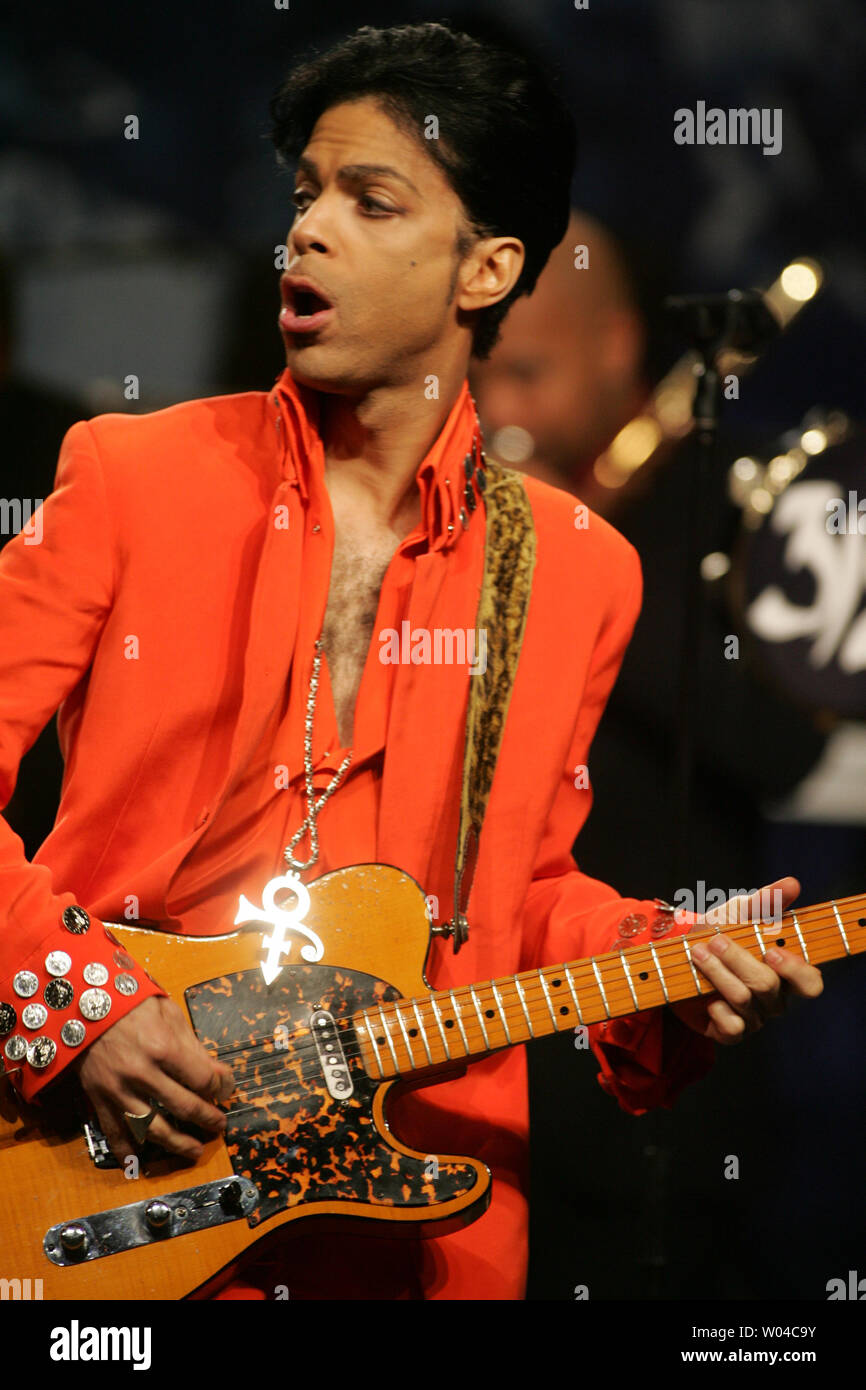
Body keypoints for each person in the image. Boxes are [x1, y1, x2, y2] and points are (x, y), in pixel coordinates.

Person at [0, 21, 822, 1301]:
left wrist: (668, 958)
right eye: (305, 195)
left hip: (414, 1226)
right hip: (102, 1171)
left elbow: (521, 888)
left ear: (486, 267)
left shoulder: (572, 564)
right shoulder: (129, 477)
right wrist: (83, 1006)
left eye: (369, 201)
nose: (308, 233)